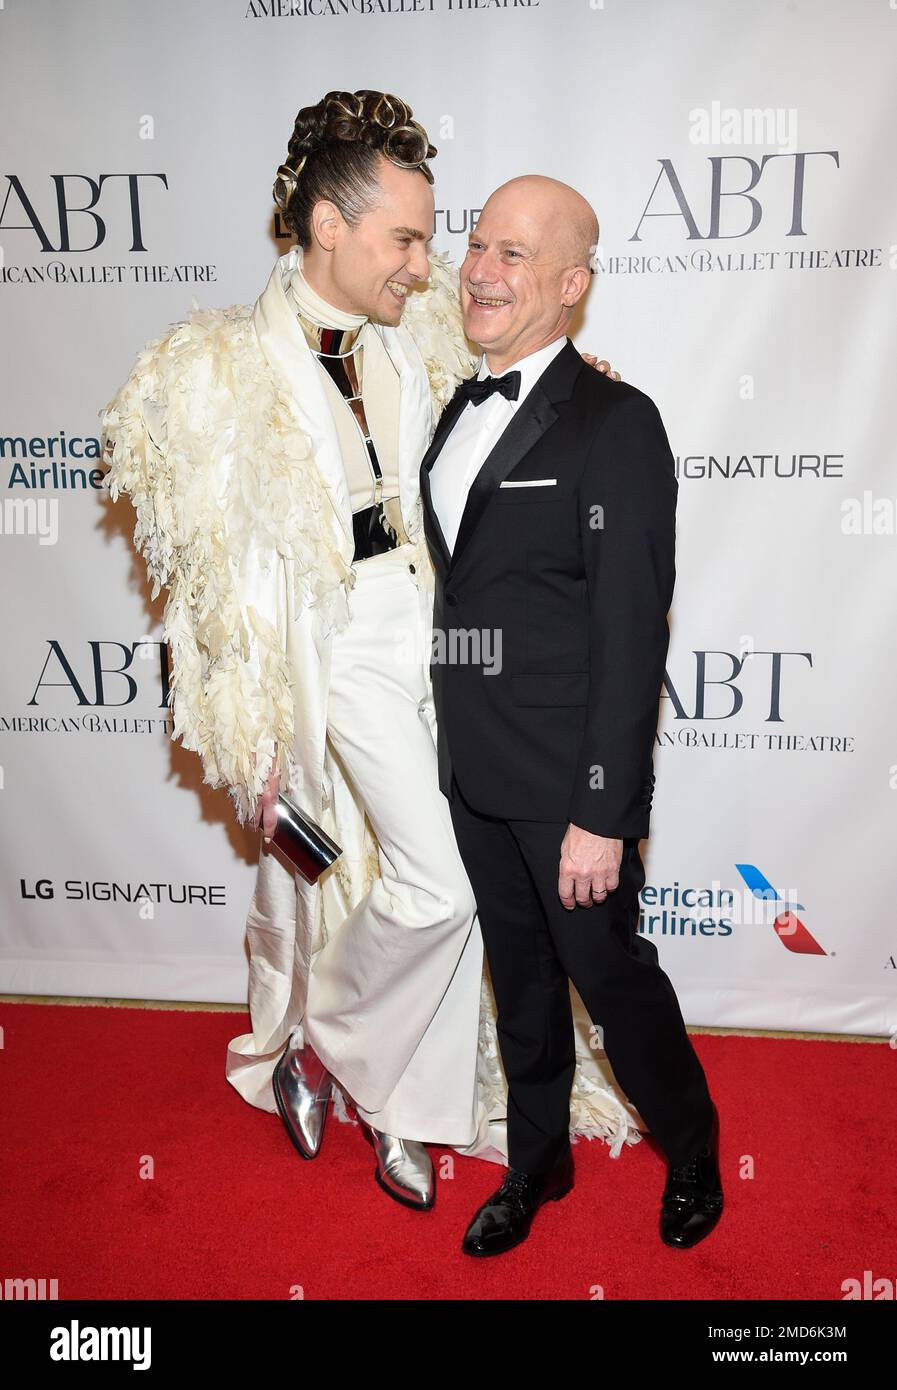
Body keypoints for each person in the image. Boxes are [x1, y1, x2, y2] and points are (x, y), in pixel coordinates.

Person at [100, 90, 628, 1215]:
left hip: (448, 631)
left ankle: (380, 1088)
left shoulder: (422, 326)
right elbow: (203, 586)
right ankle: (339, 1051)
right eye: (405, 237)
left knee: (464, 881)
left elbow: (524, 388)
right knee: (436, 886)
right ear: (326, 225)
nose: (428, 262)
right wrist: (251, 743)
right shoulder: (217, 373)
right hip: (331, 648)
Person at [420, 174, 723, 1253]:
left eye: (514, 254)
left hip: (570, 789)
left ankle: (689, 1143)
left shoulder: (618, 423)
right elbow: (467, 596)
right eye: (478, 245)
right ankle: (536, 1160)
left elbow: (633, 632)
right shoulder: (458, 403)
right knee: (525, 988)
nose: (482, 270)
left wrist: (605, 810)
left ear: (572, 284)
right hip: (476, 774)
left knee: (610, 979)